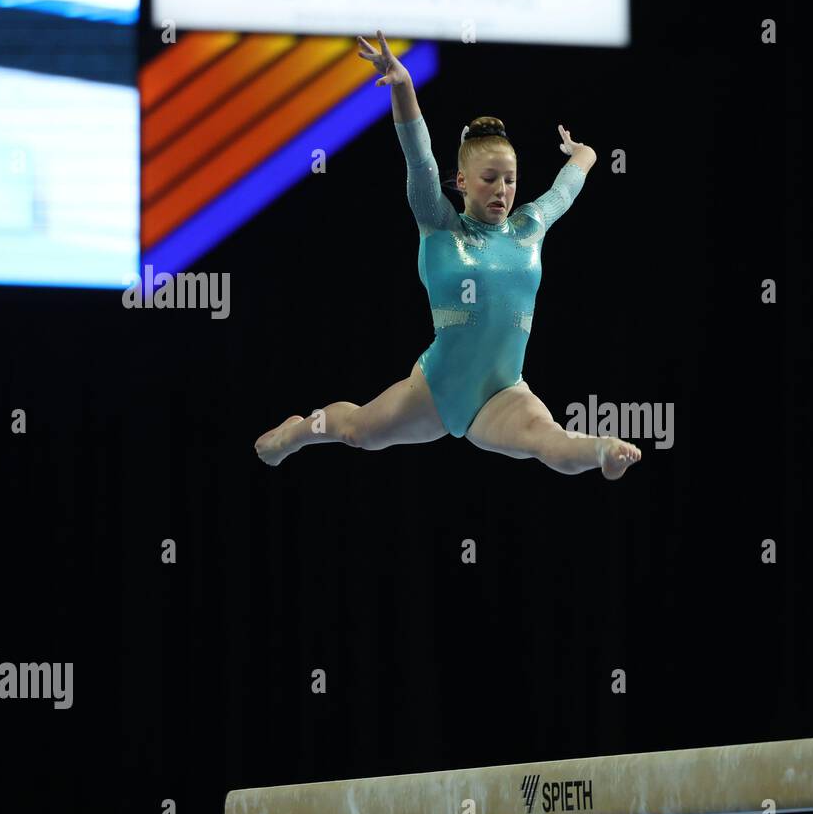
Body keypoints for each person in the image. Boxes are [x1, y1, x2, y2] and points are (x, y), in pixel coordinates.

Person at [255, 30, 642, 480]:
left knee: (546, 439)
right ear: (461, 181)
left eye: (511, 180)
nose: (502, 190)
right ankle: (298, 430)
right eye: (489, 178)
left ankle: (603, 451)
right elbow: (418, 158)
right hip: (438, 388)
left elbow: (565, 188)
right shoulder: (438, 226)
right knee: (358, 432)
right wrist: (402, 86)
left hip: (504, 392)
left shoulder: (529, 228)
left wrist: (586, 153)